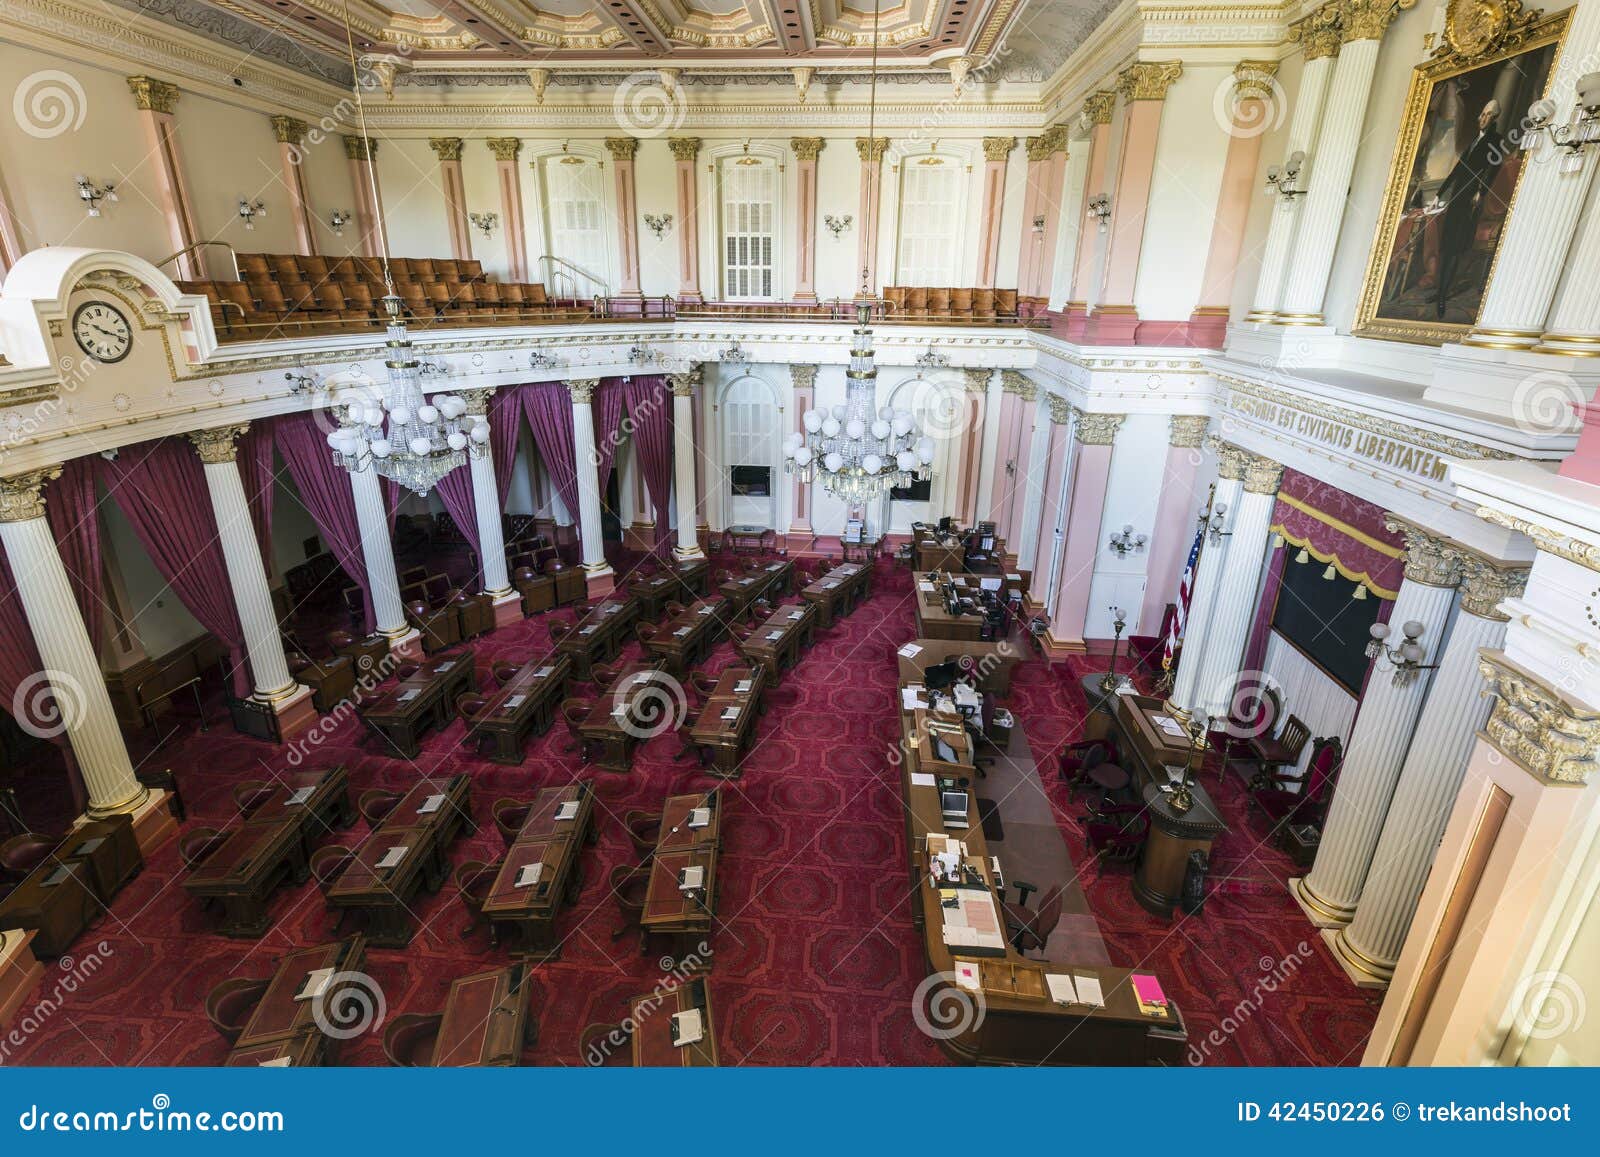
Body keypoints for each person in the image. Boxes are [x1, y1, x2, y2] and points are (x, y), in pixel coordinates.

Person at [1429, 98, 1506, 319]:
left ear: (1495, 119)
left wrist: (1479, 193)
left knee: (1455, 249)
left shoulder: (1496, 140)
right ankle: (1438, 291)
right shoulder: (1474, 140)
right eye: (1482, 113)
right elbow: (1457, 171)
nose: (1483, 118)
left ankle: (1443, 296)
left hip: (1470, 202)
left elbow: (1491, 171)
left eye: (1489, 115)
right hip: (1456, 199)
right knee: (1446, 246)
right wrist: (1438, 194)